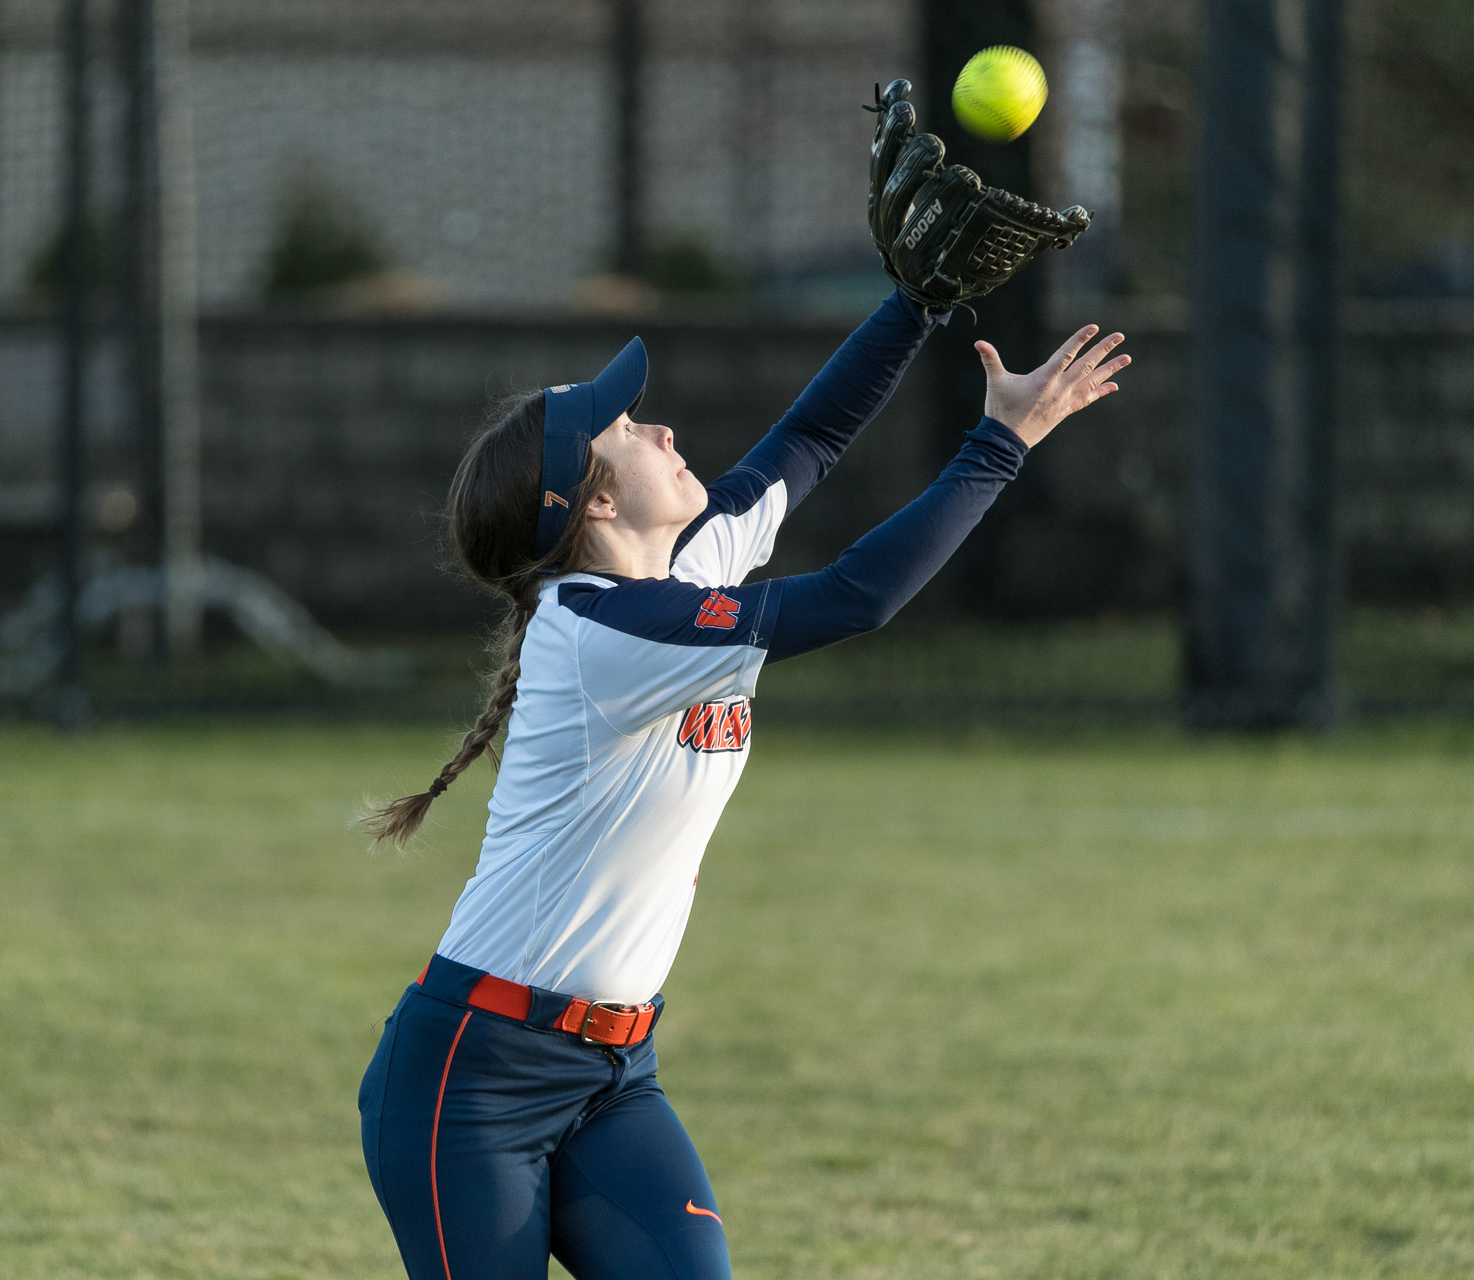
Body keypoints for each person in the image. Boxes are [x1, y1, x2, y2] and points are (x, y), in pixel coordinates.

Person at [357, 87, 1127, 1280]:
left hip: (614, 1071)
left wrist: (914, 304)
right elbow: (856, 595)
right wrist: (1000, 443)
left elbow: (807, 443)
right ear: (591, 507)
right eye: (624, 432)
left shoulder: (678, 570)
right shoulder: (601, 632)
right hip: (475, 1076)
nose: (659, 429)